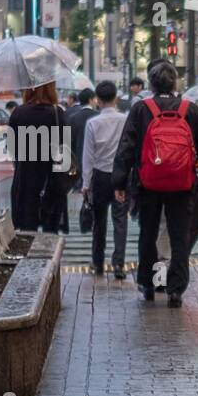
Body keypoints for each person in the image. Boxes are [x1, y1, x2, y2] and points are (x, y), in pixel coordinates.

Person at [111, 62, 198, 307]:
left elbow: (126, 147)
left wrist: (120, 182)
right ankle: (175, 290)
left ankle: (150, 282)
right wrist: (191, 160)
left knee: (148, 234)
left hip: (148, 182)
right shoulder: (190, 109)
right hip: (182, 183)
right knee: (179, 236)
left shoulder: (141, 109)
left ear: (151, 85)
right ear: (175, 83)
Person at [81, 81, 130, 280]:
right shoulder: (125, 120)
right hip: (121, 176)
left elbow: (88, 156)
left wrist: (86, 183)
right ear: (116, 98)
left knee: (99, 222)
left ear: (98, 101)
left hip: (100, 176)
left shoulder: (93, 123)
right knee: (120, 221)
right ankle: (119, 264)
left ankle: (98, 262)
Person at [6, 81, 69, 232]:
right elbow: (65, 151)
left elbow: (12, 149)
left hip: (25, 181)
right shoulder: (57, 113)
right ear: (51, 89)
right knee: (51, 232)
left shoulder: (19, 113)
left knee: (27, 230)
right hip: (51, 181)